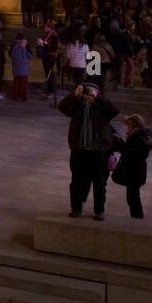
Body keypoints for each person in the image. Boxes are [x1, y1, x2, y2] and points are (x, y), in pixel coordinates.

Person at [58, 83, 118, 220]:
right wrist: (74, 94)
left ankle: (99, 210)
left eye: (92, 91)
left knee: (99, 182)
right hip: (79, 149)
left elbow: (114, 111)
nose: (88, 94)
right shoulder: (77, 104)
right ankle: (76, 208)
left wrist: (98, 97)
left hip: (97, 150)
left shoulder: (102, 106)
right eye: (87, 91)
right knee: (76, 180)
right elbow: (62, 108)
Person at [111, 114, 152, 220]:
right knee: (132, 197)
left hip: (134, 172)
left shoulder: (138, 138)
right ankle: (137, 217)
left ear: (135, 126)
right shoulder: (141, 137)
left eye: (128, 127)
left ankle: (137, 218)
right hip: (136, 172)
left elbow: (131, 154)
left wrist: (120, 144)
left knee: (133, 198)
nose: (127, 130)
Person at [9, 33, 32, 101]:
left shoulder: (13, 45)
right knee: (24, 83)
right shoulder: (26, 44)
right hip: (24, 68)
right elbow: (30, 55)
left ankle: (16, 96)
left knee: (16, 83)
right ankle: (23, 96)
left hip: (16, 67)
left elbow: (10, 54)